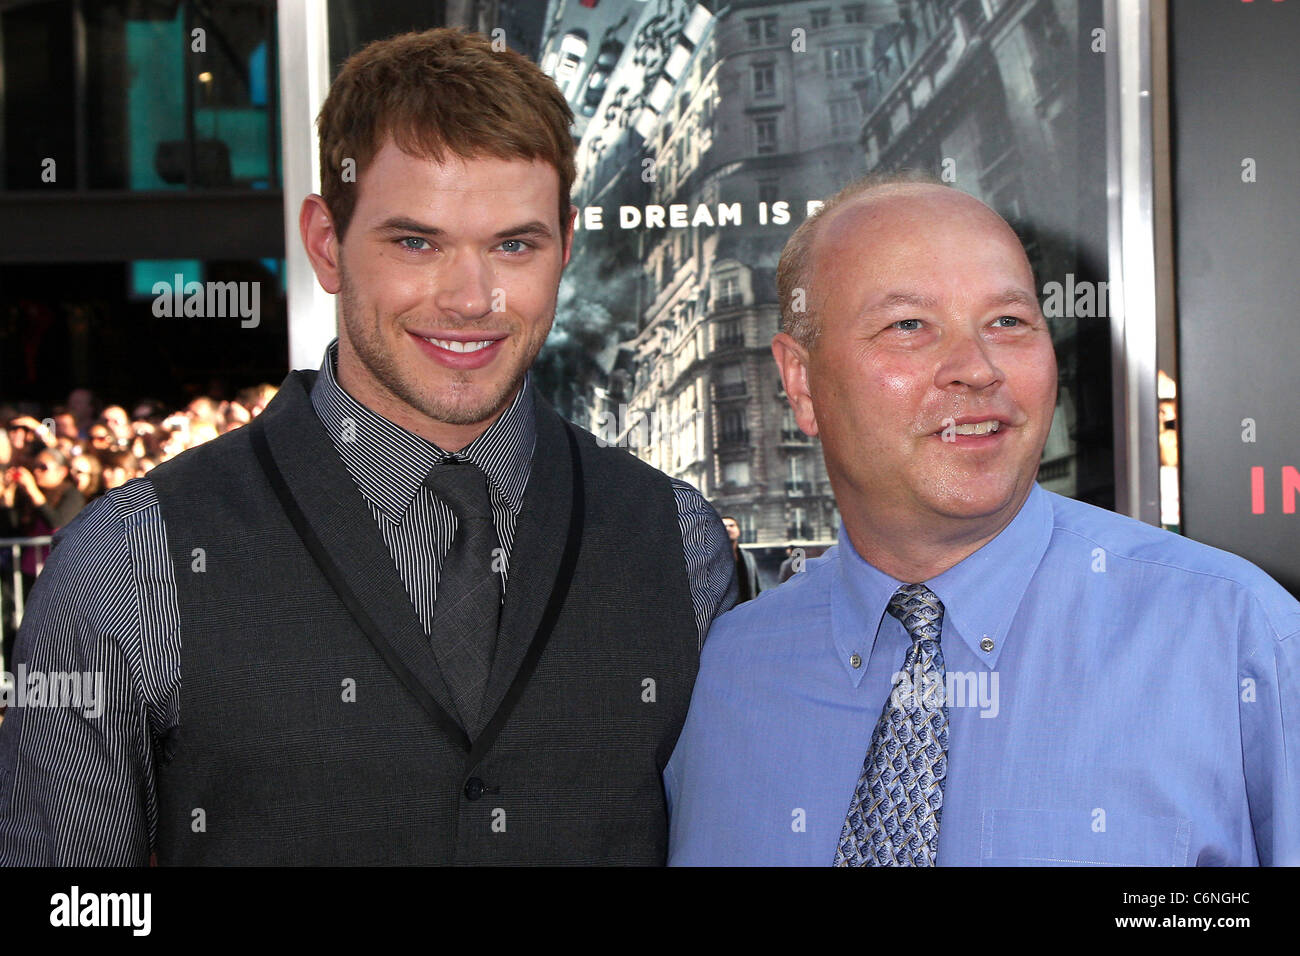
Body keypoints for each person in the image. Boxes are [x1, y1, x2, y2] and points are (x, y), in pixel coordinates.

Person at [0, 28, 735, 866]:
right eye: (416, 242)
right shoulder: (128, 562)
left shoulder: (680, 548)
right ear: (325, 244)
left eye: (513, 244)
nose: (470, 298)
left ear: (565, 244)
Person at [666, 175, 1300, 866]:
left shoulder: (1238, 640)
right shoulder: (724, 674)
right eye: (908, 325)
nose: (976, 368)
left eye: (1008, 322)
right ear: (800, 383)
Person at [720, 515, 760, 604]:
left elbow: (756, 587)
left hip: (747, 611)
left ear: (738, 531)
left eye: (732, 525)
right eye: (724, 526)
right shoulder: (712, 557)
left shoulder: (748, 557)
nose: (728, 529)